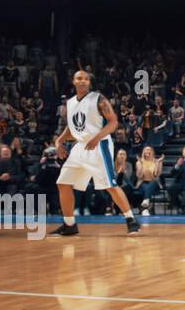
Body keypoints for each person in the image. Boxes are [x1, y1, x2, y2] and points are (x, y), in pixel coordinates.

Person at [50, 71, 141, 235]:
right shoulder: (70, 103)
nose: (82, 81)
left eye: (86, 79)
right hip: (80, 146)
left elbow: (113, 122)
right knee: (63, 183)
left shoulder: (98, 99)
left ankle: (131, 220)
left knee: (109, 185)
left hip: (99, 145)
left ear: (89, 82)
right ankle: (69, 224)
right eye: (79, 78)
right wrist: (59, 141)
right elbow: (72, 127)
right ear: (73, 81)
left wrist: (97, 137)